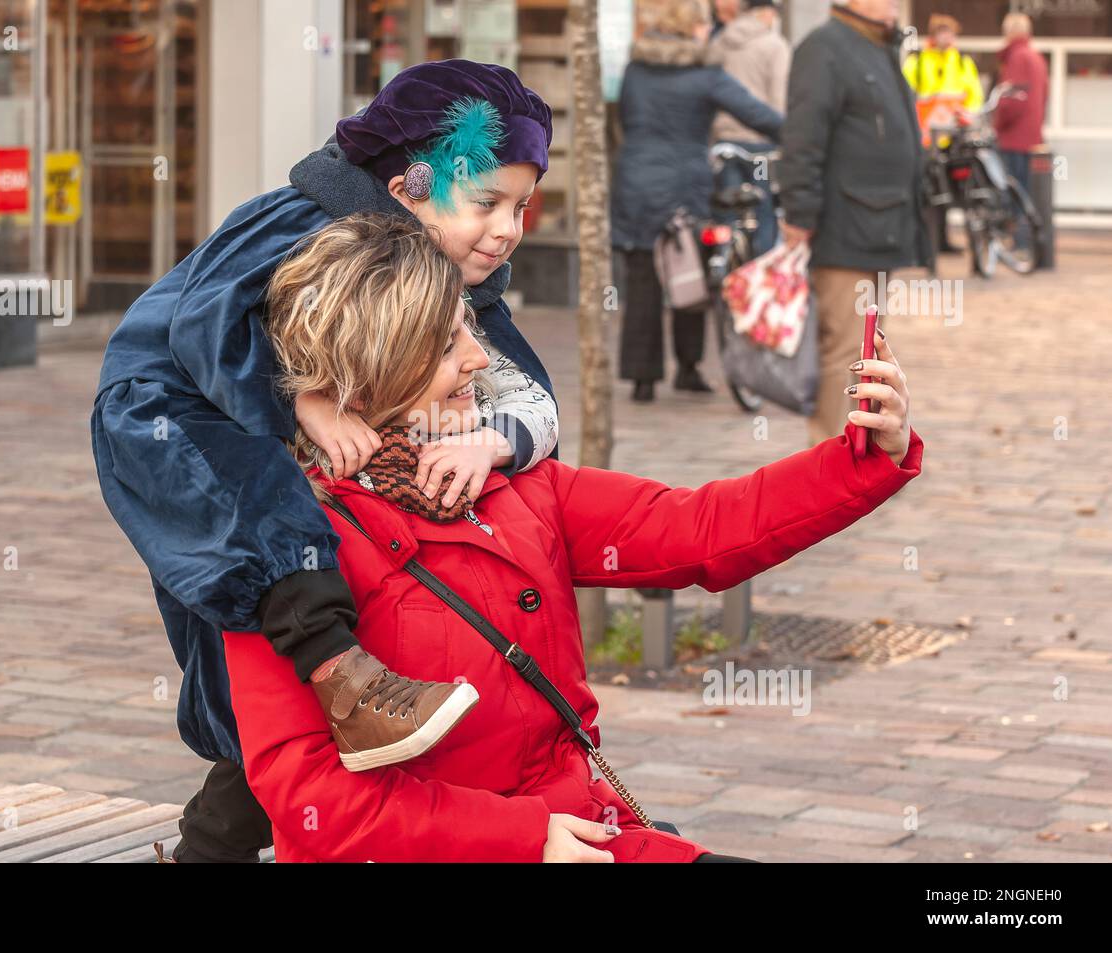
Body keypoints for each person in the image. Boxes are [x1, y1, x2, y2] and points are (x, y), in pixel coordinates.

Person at [230, 211, 924, 863]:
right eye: (446, 344)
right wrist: (522, 837)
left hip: (586, 834)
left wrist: (865, 456)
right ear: (372, 371)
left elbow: (701, 528)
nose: (479, 357)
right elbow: (307, 791)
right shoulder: (291, 541)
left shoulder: (514, 481)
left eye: (469, 328)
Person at [91, 61, 560, 862]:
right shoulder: (300, 221)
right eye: (487, 203)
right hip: (171, 408)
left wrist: (494, 438)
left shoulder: (451, 274)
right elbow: (204, 321)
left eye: (522, 206)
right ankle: (323, 718)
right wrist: (302, 401)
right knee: (281, 560)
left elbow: (534, 394)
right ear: (410, 187)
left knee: (282, 630)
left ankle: (267, 796)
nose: (507, 228)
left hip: (261, 431)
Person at [611, 0, 782, 403]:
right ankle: (688, 368)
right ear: (692, 26)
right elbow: (759, 115)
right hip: (686, 184)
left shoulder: (635, 71)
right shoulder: (705, 76)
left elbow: (624, 120)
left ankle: (642, 378)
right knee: (688, 270)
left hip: (636, 180)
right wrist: (802, 136)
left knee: (642, 277)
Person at [778, 0, 930, 449]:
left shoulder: (877, 46)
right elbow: (803, 138)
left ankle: (862, 452)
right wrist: (800, 213)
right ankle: (829, 461)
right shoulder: (824, 48)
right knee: (845, 351)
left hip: (880, 226)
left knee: (871, 352)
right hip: (843, 230)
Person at [708, 0, 791, 256]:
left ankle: (722, 267)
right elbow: (779, 99)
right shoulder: (774, 45)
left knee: (727, 213)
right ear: (766, 13)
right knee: (763, 209)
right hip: (760, 147)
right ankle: (758, 277)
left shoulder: (719, 41)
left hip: (724, 143)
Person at [902, 13, 984, 253]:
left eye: (951, 33)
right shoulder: (916, 63)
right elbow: (906, 96)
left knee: (951, 192)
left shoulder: (961, 62)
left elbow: (974, 96)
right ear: (933, 35)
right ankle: (924, 242)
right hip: (924, 139)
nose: (947, 37)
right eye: (943, 32)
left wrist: (965, 113)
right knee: (926, 192)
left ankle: (943, 241)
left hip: (953, 138)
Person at [994, 12, 1048, 252]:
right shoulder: (1037, 58)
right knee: (1026, 191)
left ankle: (1019, 241)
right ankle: (1028, 240)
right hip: (1031, 136)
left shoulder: (1017, 57)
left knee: (1013, 191)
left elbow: (1012, 100)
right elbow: (1043, 97)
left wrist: (997, 125)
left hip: (1013, 138)